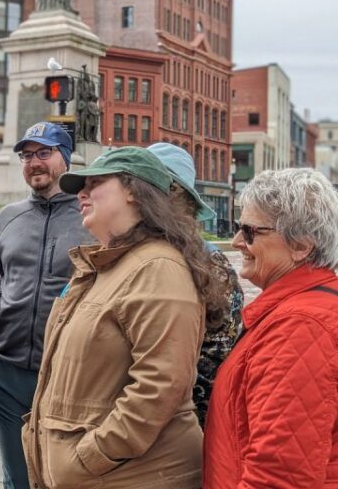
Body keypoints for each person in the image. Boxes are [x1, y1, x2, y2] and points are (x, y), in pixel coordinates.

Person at [23, 146, 221, 488]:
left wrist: (91, 455)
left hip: (133, 476)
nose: (81, 194)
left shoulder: (158, 267)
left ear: (133, 191)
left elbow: (159, 386)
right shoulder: (106, 266)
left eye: (95, 183)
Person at [203, 168, 338, 488]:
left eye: (250, 232)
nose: (236, 242)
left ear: (301, 246)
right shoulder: (303, 311)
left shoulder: (301, 327)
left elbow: (279, 475)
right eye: (238, 229)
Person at [0, 122, 94, 489]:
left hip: (69, 372)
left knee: (61, 476)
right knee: (17, 478)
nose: (34, 162)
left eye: (44, 153)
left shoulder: (91, 218)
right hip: (6, 369)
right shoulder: (7, 217)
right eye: (27, 155)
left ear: (65, 158)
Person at [147, 142, 244, 427]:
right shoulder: (129, 252)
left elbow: (217, 358)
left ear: (175, 194)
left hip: (182, 424)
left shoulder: (212, 263)